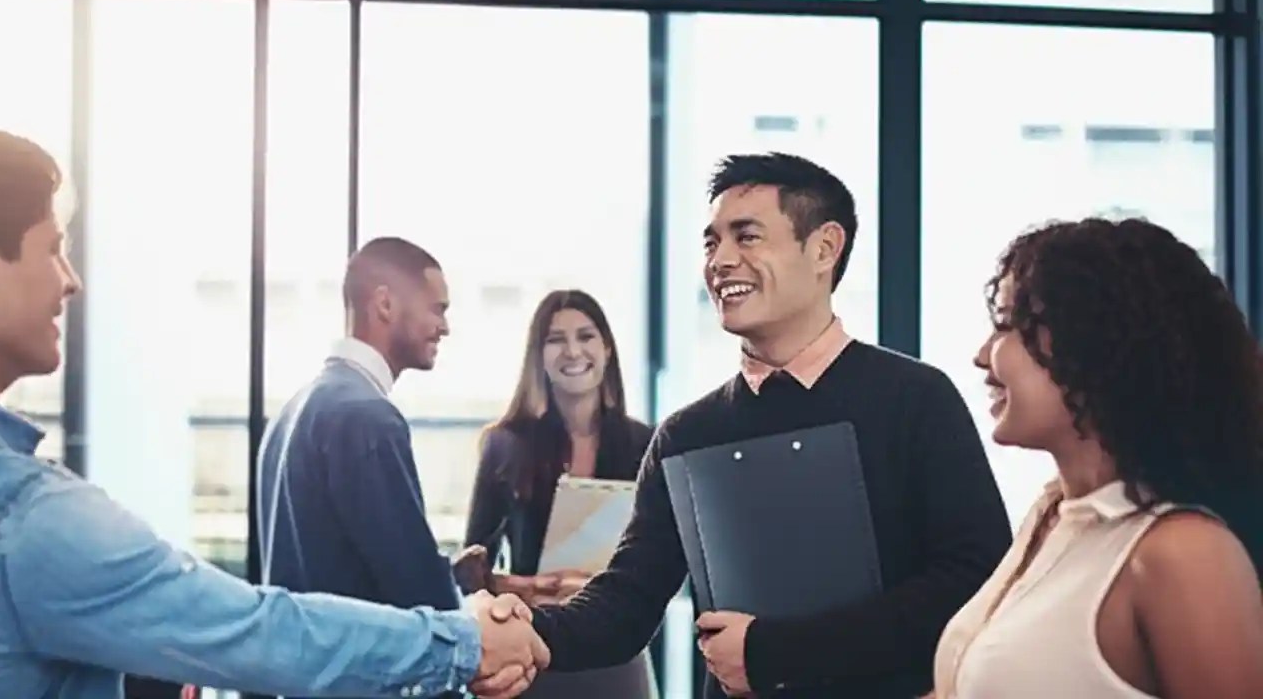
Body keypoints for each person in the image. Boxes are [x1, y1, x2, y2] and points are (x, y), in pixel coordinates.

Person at [0, 128, 547, 699]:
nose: (70, 280)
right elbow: (259, 627)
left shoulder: (298, 409)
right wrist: (467, 639)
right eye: (52, 249)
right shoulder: (25, 516)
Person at [520, 152, 1013, 698]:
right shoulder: (687, 434)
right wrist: (523, 633)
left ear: (824, 248)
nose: (721, 261)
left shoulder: (916, 399)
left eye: (747, 237)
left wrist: (773, 651)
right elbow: (626, 605)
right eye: (712, 243)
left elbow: (974, 579)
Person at [930, 218, 1263, 699]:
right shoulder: (1052, 516)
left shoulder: (1183, 551)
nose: (983, 356)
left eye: (1009, 326)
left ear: (1098, 345)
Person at [257, 237, 466, 693]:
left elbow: (334, 559)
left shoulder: (294, 410)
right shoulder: (367, 416)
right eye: (437, 309)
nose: (445, 327)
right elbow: (414, 587)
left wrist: (454, 575)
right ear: (385, 303)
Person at [461, 289, 656, 698]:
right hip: (531, 644)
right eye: (555, 339)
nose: (573, 351)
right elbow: (473, 568)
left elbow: (662, 562)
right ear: (539, 356)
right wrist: (533, 587)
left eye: (585, 336)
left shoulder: (645, 444)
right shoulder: (506, 443)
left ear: (606, 348)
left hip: (615, 651)